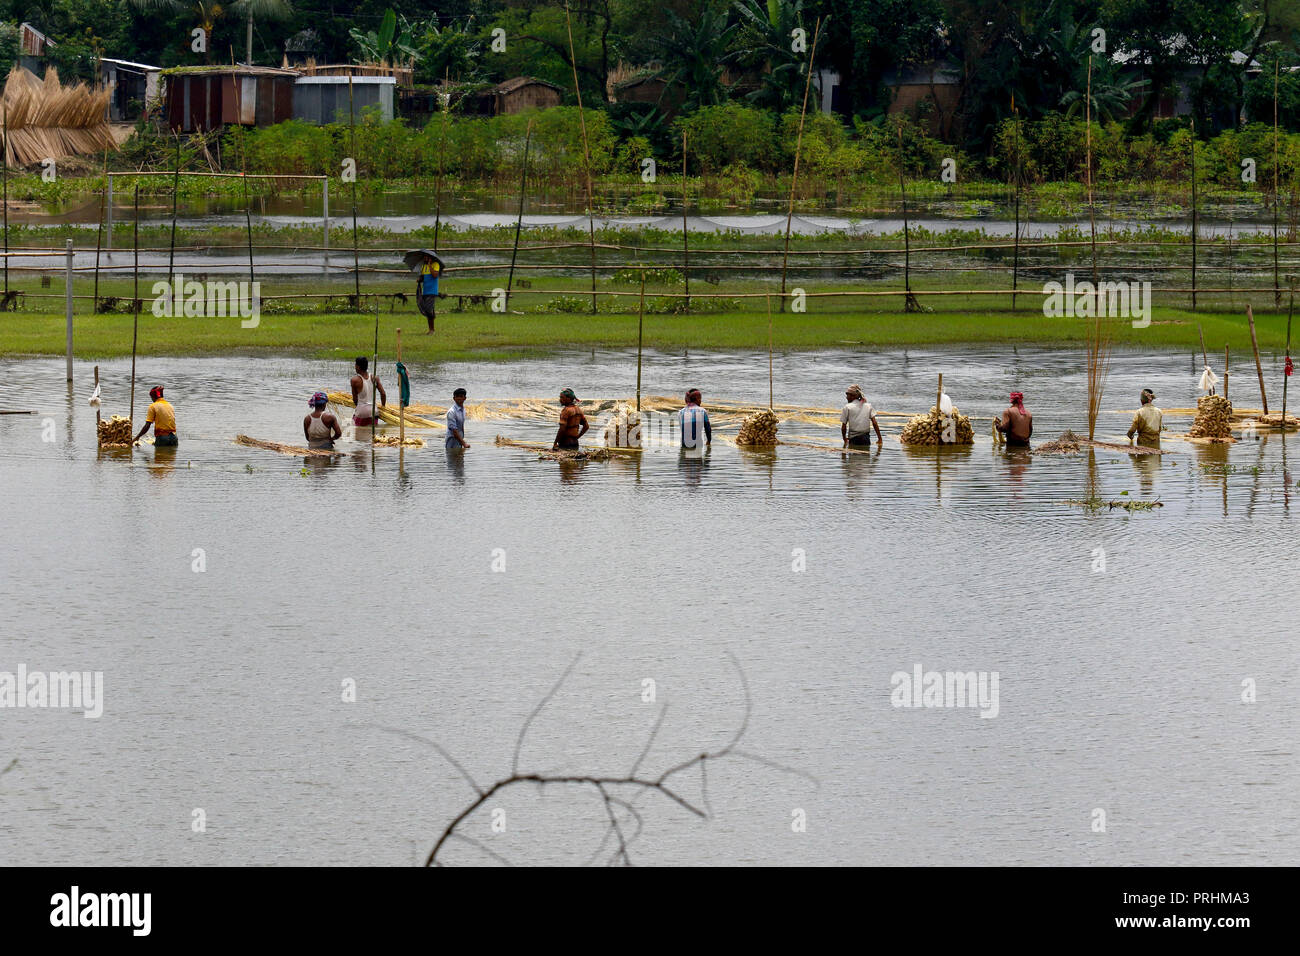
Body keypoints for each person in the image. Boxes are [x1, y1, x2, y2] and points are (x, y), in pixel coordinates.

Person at [840, 384, 882, 449]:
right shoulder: (868, 406)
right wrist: (880, 438)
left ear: (852, 396)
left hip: (853, 439)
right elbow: (874, 423)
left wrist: (844, 439)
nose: (846, 397)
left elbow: (843, 427)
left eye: (847, 395)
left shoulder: (847, 407)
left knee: (854, 457)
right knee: (865, 456)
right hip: (866, 439)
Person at [350, 356, 386, 429]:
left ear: (358, 367)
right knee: (372, 434)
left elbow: (355, 399)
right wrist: (383, 407)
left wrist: (359, 406)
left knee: (357, 434)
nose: (355, 367)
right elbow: (383, 393)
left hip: (362, 411)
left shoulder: (354, 380)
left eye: (356, 365)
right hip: (374, 411)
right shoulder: (375, 377)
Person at [417, 253, 443, 334]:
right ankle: (431, 329)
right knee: (428, 310)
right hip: (425, 291)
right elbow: (423, 277)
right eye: (424, 257)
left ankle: (432, 330)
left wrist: (429, 266)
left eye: (426, 257)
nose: (425, 258)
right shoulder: (423, 267)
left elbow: (435, 275)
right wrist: (419, 279)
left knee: (428, 310)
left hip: (432, 291)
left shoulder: (436, 264)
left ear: (430, 258)